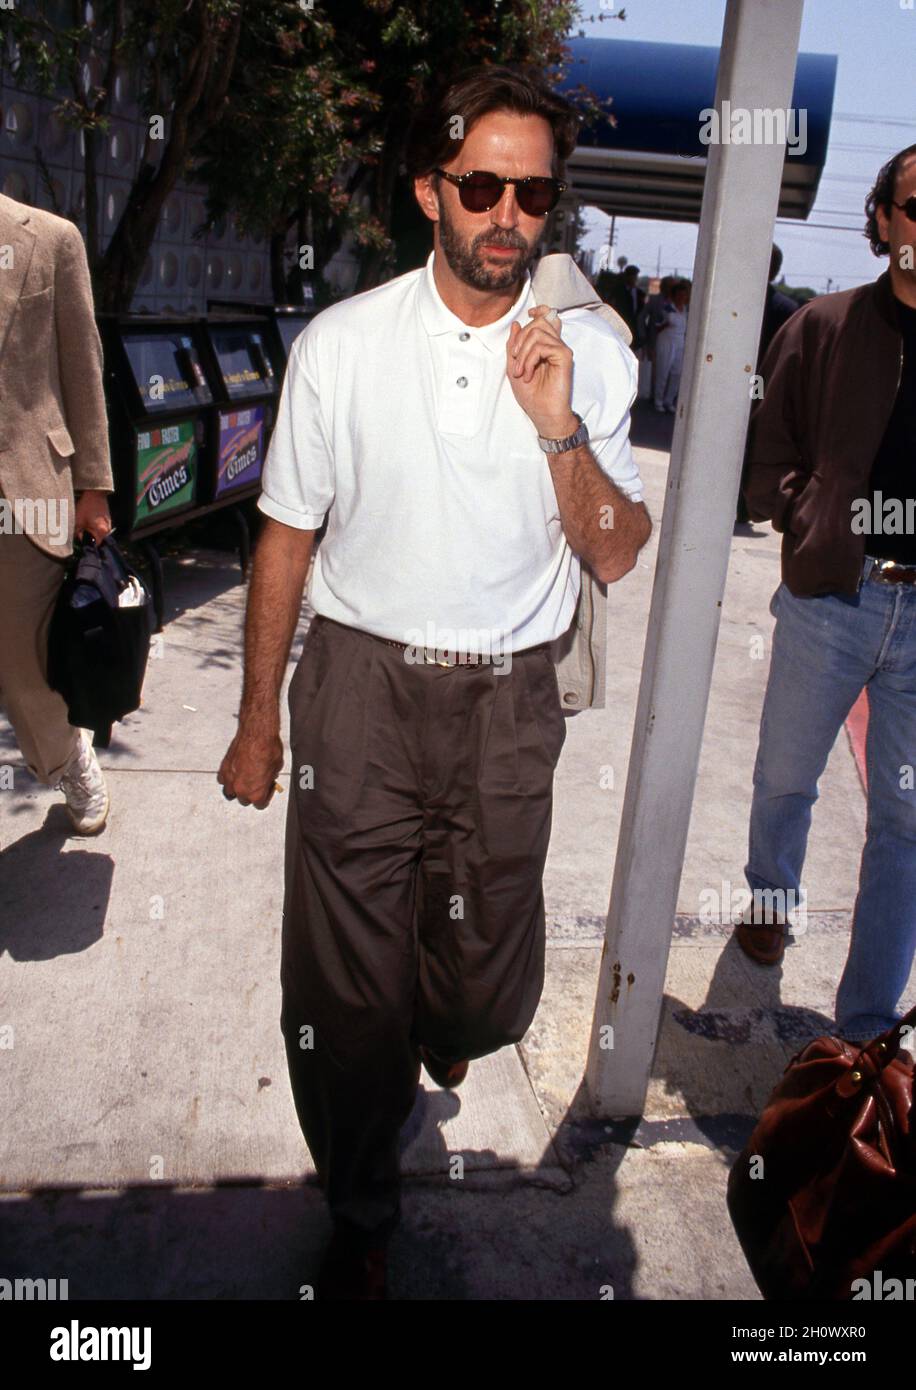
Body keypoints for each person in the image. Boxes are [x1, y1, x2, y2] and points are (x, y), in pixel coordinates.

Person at [217, 63, 652, 1299]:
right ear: (430, 193)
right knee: (343, 981)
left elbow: (617, 549)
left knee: (481, 987)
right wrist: (261, 722)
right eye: (481, 186)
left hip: (508, 707)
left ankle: (444, 1031)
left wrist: (558, 424)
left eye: (532, 194)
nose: (507, 213)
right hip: (358, 691)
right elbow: (286, 537)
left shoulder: (593, 362)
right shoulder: (343, 346)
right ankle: (360, 1207)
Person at [737, 144, 916, 1046]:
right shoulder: (824, 325)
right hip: (831, 601)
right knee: (783, 777)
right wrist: (803, 511)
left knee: (908, 819)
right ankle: (771, 900)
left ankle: (869, 1020)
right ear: (883, 220)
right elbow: (767, 448)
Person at [0, 192, 113, 833]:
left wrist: (93, 485)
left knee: (22, 668)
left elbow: (83, 366)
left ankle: (68, 755)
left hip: (24, 488)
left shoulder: (50, 237)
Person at [735, 245, 798, 525]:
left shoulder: (736, 300)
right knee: (749, 442)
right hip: (761, 382)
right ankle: (742, 504)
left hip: (745, 381)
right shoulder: (786, 308)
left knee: (739, 440)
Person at [653, 279, 689, 413]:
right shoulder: (666, 308)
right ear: (674, 296)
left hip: (680, 343)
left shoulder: (686, 310)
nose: (681, 298)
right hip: (666, 342)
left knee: (677, 373)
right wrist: (665, 324)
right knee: (663, 372)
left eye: (684, 295)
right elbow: (656, 326)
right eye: (679, 295)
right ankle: (658, 401)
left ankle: (669, 400)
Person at [608, 263, 646, 343]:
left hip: (635, 329)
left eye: (635, 276)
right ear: (627, 277)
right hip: (621, 326)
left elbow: (641, 312)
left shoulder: (640, 293)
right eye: (631, 276)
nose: (634, 278)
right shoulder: (618, 291)